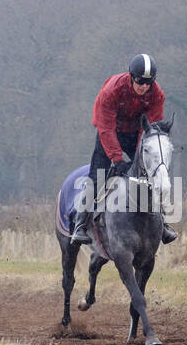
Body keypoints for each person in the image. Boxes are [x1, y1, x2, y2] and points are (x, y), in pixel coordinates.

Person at [70, 53, 178, 246]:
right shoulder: (112, 90)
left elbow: (149, 131)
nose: (144, 87)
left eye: (149, 83)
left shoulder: (157, 95)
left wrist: (139, 156)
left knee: (151, 174)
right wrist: (117, 159)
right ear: (131, 77)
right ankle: (80, 225)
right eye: (140, 82)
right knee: (98, 175)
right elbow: (105, 128)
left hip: (137, 133)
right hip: (110, 131)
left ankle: (164, 222)